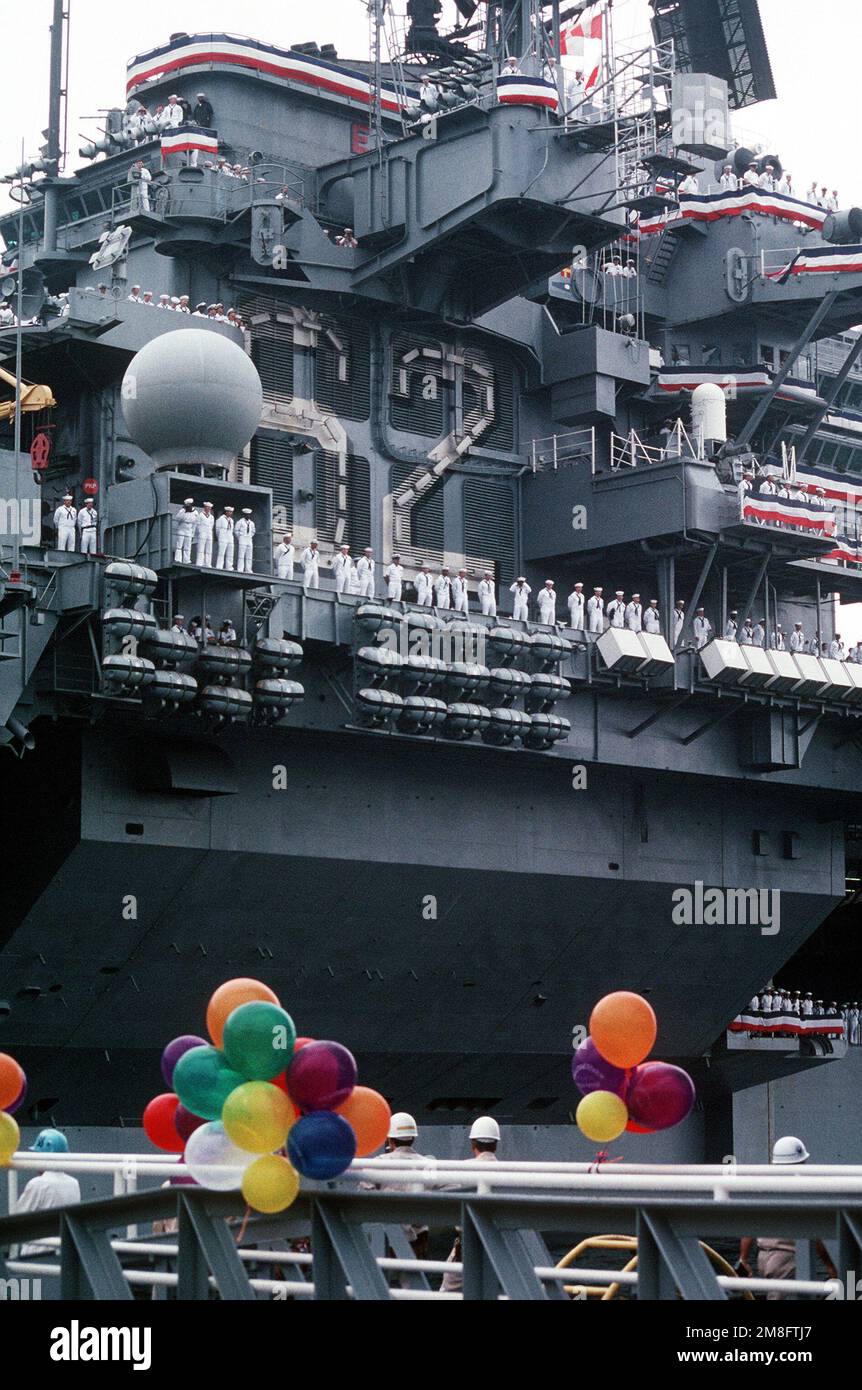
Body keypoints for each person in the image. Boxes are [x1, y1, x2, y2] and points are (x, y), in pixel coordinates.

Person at [738, 1138, 837, 1297]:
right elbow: (813, 1234)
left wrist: (743, 1259)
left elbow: (749, 1226)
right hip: (786, 1259)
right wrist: (830, 1266)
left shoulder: (763, 1188)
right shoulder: (800, 1191)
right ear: (799, 1163)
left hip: (763, 1258)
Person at [440, 1117, 501, 1293]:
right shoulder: (508, 1169)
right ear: (495, 1144)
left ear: (472, 1143)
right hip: (500, 1243)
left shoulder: (462, 1169)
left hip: (468, 1243)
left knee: (449, 1289)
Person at [13, 1130, 81, 1257]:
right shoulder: (74, 1183)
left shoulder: (38, 1183)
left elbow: (17, 1217)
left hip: (34, 1253)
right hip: (63, 1253)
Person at [371, 1113, 430, 1261]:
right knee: (414, 1278)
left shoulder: (379, 1162)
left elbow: (364, 1191)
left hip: (388, 1233)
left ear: (390, 1139)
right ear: (413, 1138)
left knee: (380, 1277)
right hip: (419, 1234)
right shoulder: (427, 1163)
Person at [174, 498, 198, 564]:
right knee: (179, 545)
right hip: (182, 528)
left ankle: (186, 560)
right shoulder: (182, 510)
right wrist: (184, 512)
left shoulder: (195, 512)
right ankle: (178, 559)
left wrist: (193, 534)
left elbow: (195, 524)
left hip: (189, 529)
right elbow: (177, 519)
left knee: (187, 546)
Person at [215, 505, 235, 571]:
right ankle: (219, 566)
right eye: (229, 512)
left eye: (231, 512)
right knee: (221, 552)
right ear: (226, 512)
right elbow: (217, 529)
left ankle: (229, 567)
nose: (230, 513)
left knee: (230, 552)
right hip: (223, 536)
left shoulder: (231, 520)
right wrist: (220, 537)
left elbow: (232, 529)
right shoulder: (221, 519)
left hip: (230, 537)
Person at [235, 508, 256, 573]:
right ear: (244, 515)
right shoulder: (240, 522)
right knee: (241, 554)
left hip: (249, 539)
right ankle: (240, 569)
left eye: (249, 515)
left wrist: (249, 536)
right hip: (242, 538)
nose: (248, 516)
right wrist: (240, 537)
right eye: (246, 515)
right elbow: (236, 531)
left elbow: (253, 531)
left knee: (249, 555)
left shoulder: (252, 523)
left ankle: (248, 569)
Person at [195, 501, 215, 567]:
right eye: (207, 507)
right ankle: (199, 562)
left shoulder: (211, 517)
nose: (208, 509)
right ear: (204, 507)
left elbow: (212, 525)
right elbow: (197, 524)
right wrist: (200, 531)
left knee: (209, 549)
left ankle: (208, 563)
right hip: (202, 532)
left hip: (209, 533)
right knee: (201, 548)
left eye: (209, 507)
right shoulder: (200, 515)